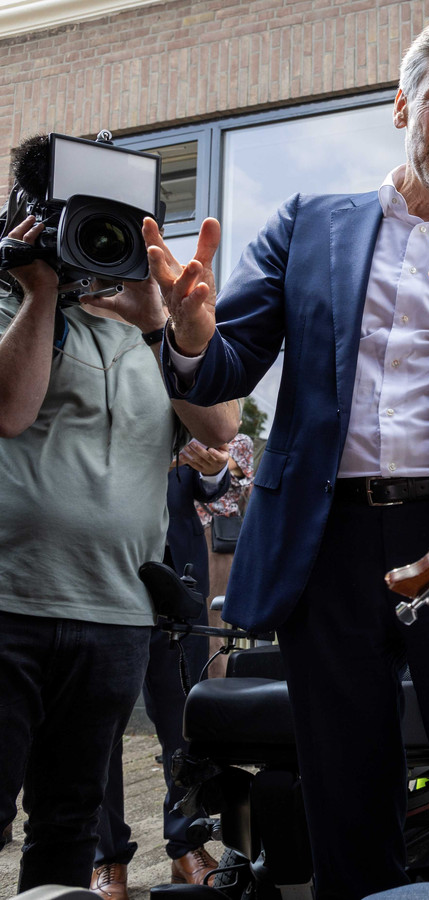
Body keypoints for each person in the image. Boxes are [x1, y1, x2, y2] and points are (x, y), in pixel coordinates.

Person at [143, 17, 429, 900]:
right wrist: (191, 331)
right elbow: (224, 364)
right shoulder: (309, 226)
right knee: (345, 801)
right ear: (403, 106)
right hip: (331, 547)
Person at [0, 143, 240, 891]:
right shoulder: (10, 303)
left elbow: (220, 426)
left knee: (70, 821)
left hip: (115, 615)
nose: (103, 240)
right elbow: (10, 410)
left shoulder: (156, 333)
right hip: (10, 605)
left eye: (120, 226)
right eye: (84, 219)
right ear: (32, 217)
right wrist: (41, 291)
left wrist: (163, 324)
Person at [91, 441, 233, 900]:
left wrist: (212, 471)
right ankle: (106, 858)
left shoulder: (180, 403)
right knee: (99, 725)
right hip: (102, 569)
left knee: (184, 720)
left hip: (176, 578)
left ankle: (187, 844)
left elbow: (209, 487)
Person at [198, 432, 253, 678]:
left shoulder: (240, 442)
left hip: (218, 537)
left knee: (212, 625)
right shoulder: (195, 440)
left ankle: (216, 688)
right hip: (186, 534)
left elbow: (208, 463)